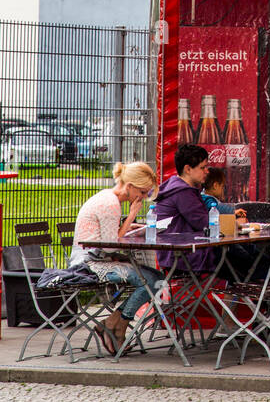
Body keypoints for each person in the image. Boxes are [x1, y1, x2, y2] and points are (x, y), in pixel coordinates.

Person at [70, 160, 160, 353]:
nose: (143, 198)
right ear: (129, 186)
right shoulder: (111, 203)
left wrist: (129, 226)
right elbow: (111, 246)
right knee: (152, 280)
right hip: (89, 264)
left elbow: (110, 238)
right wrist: (131, 216)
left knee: (154, 279)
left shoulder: (108, 198)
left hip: (95, 259)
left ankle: (115, 323)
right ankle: (117, 324)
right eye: (143, 192)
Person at [155, 143, 215, 274]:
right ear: (188, 169)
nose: (207, 171)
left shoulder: (176, 187)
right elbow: (205, 223)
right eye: (203, 167)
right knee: (239, 253)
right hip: (183, 257)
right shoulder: (182, 192)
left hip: (174, 254)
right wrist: (235, 224)